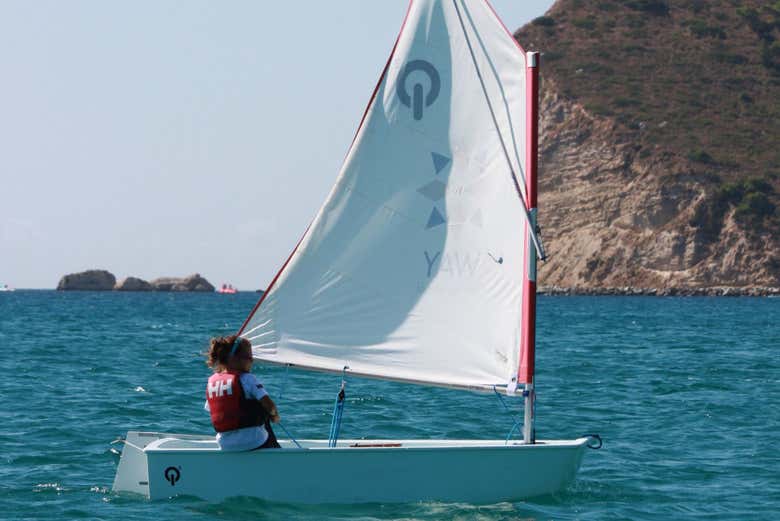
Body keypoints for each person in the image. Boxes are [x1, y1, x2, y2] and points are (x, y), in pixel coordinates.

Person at [204, 335, 281, 450]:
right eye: (248, 357)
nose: (252, 360)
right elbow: (270, 406)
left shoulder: (212, 383)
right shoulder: (247, 378)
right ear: (233, 358)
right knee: (264, 412)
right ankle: (277, 453)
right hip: (254, 441)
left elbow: (212, 408)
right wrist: (274, 416)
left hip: (225, 444)